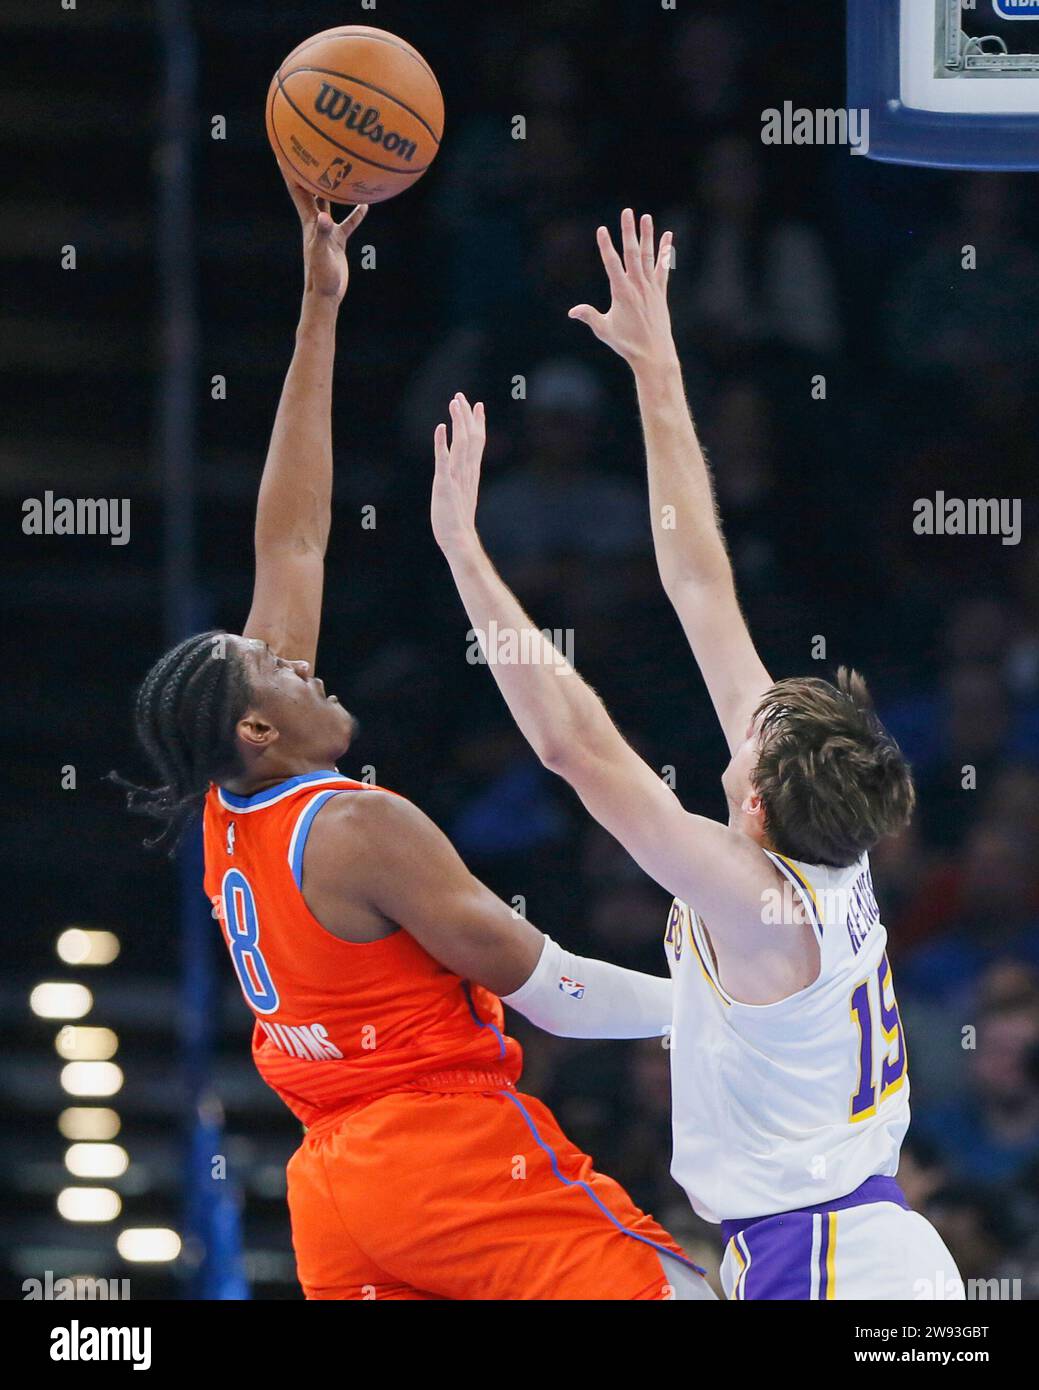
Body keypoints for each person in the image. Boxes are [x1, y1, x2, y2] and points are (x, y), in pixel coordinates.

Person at [119, 178, 713, 1302]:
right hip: (445, 1156)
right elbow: (553, 990)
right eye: (281, 670)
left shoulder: (228, 806)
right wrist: (730, 1009)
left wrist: (320, 306)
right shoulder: (356, 823)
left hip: (333, 1186)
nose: (305, 658)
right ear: (256, 725)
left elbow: (291, 539)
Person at [430, 209, 962, 1301]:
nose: (746, 706)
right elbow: (701, 584)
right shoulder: (821, 842)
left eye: (756, 729)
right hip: (858, 1247)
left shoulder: (754, 895)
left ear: (756, 801)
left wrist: (466, 556)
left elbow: (577, 751)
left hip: (830, 1262)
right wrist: (655, 367)